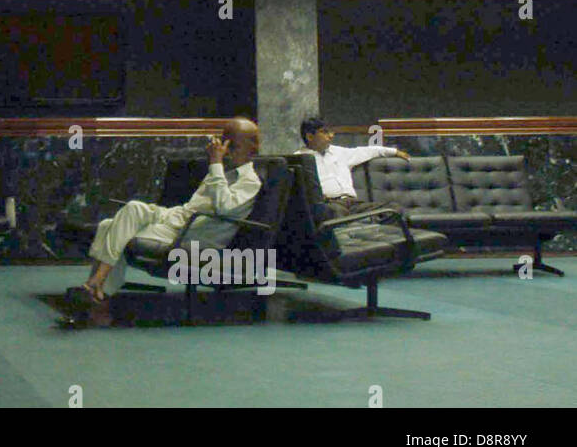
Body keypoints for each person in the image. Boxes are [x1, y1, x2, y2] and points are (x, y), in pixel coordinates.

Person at [68, 117, 263, 318]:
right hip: (176, 221)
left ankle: (95, 285)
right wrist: (217, 168)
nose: (227, 150)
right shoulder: (221, 171)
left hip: (191, 237)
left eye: (233, 145)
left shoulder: (250, 182)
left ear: (252, 148)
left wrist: (215, 164)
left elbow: (224, 207)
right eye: (225, 142)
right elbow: (192, 207)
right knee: (129, 210)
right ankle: (98, 289)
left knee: (111, 226)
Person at [294, 117, 411, 221]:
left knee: (394, 209)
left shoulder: (339, 152)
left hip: (354, 204)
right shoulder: (300, 159)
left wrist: (395, 151)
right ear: (310, 136)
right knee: (335, 214)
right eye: (324, 132)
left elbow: (367, 151)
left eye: (330, 131)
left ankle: (379, 235)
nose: (331, 135)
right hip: (331, 205)